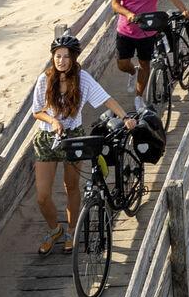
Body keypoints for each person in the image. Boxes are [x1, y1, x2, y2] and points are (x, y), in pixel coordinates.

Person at [30, 33, 129, 255]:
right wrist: (53, 120)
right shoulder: (44, 80)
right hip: (47, 138)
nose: (61, 60)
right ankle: (55, 229)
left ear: (73, 58)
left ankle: (71, 231)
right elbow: (37, 111)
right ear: (52, 57)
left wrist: (124, 117)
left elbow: (106, 99)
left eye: (66, 56)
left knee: (71, 186)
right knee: (42, 195)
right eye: (57, 56)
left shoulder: (82, 78)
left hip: (73, 136)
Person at [109, 0, 189, 106]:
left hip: (146, 31)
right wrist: (128, 14)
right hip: (125, 29)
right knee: (122, 64)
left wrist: (185, 10)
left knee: (145, 64)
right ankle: (132, 72)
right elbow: (115, 4)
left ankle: (139, 97)